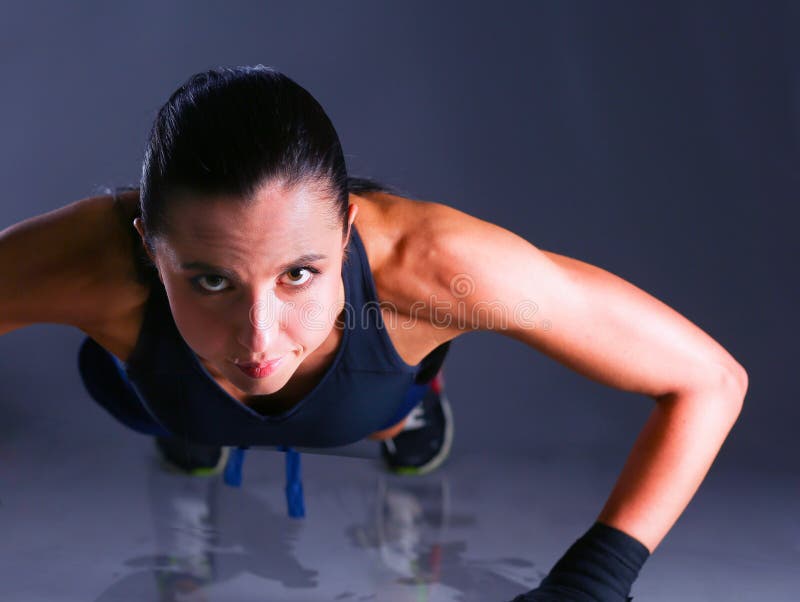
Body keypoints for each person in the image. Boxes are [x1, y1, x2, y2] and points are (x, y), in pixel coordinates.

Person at [0, 65, 748, 601]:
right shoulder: (89, 261)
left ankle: (404, 409)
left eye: (298, 274)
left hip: (368, 385)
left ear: (348, 229)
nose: (258, 337)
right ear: (146, 244)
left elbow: (708, 380)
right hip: (156, 389)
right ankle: (197, 416)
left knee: (370, 395)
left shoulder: (435, 267)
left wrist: (591, 584)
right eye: (210, 280)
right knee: (150, 390)